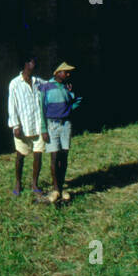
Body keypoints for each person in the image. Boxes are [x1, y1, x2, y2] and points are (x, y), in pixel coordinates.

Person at [39, 62, 82, 203]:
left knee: (64, 157)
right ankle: (56, 189)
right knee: (54, 157)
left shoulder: (67, 87)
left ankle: (61, 188)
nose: (68, 74)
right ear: (57, 73)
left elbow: (77, 100)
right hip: (52, 125)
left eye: (69, 73)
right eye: (65, 72)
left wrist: (69, 108)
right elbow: (41, 109)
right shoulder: (46, 87)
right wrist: (44, 129)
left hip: (66, 125)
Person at [7, 56, 48, 199]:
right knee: (20, 155)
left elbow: (50, 85)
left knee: (38, 155)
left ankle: (34, 184)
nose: (34, 65)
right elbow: (12, 106)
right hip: (23, 127)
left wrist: (62, 85)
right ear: (25, 64)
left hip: (38, 125)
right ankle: (18, 183)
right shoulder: (15, 84)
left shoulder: (38, 82)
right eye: (31, 62)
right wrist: (15, 125)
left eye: (34, 63)